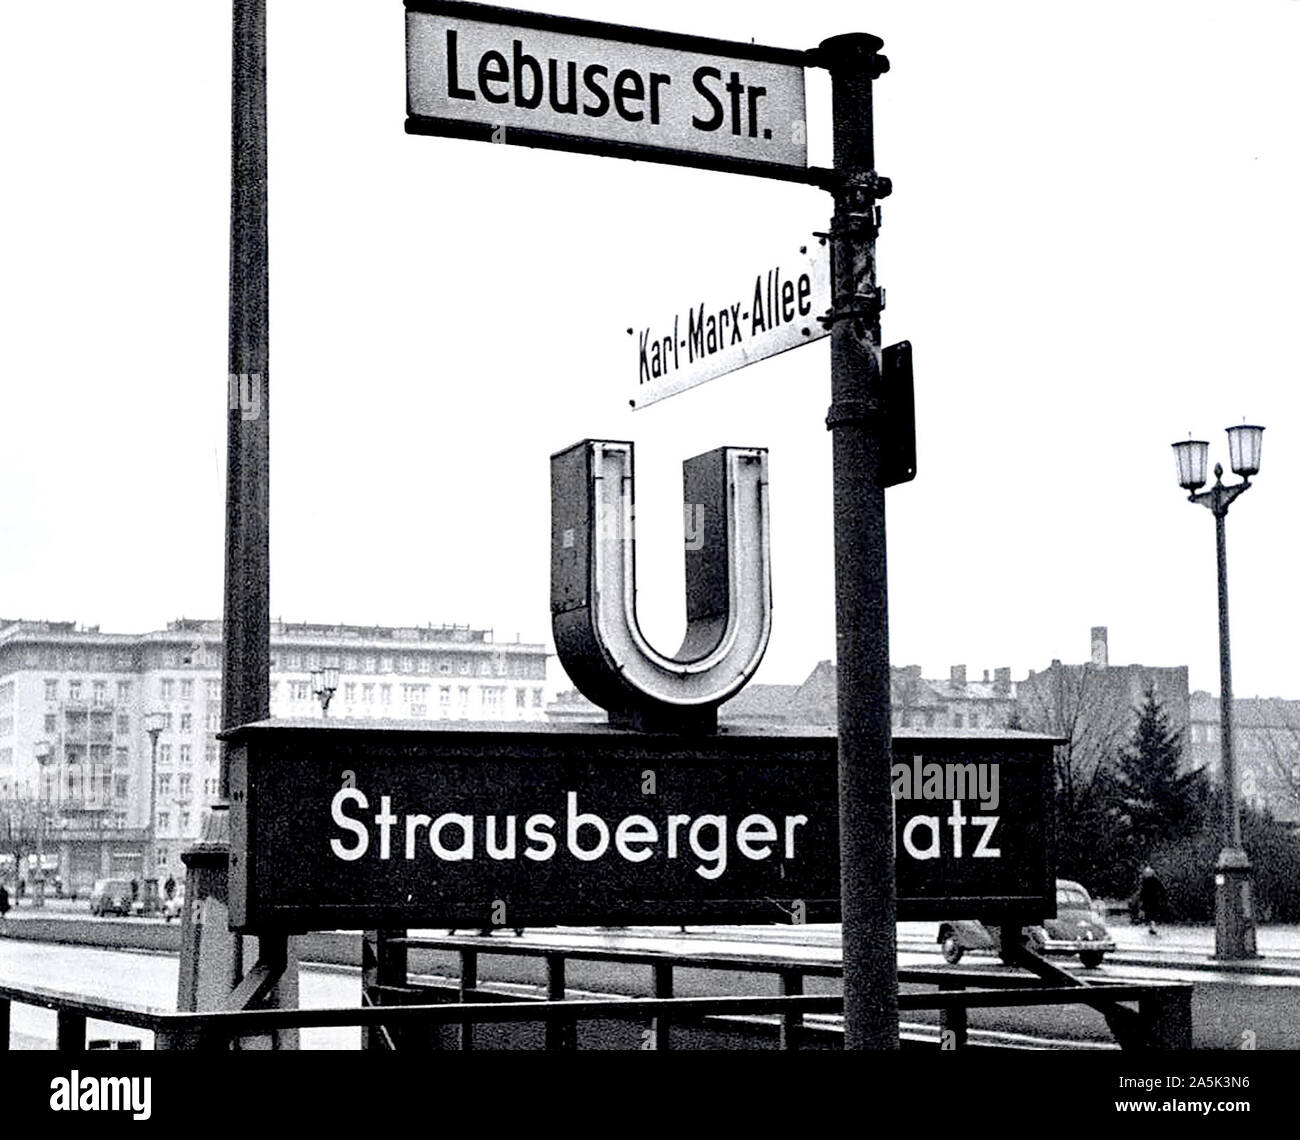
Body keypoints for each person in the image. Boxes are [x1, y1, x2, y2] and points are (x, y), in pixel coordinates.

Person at [1138, 865, 1166, 936]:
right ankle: (1152, 927)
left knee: (1150, 915)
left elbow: (1142, 892)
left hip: (1149, 900)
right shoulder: (1155, 880)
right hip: (1153, 900)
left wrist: (1141, 899)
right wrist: (1163, 897)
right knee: (1152, 915)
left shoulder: (1145, 881)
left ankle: (1152, 927)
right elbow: (1162, 889)